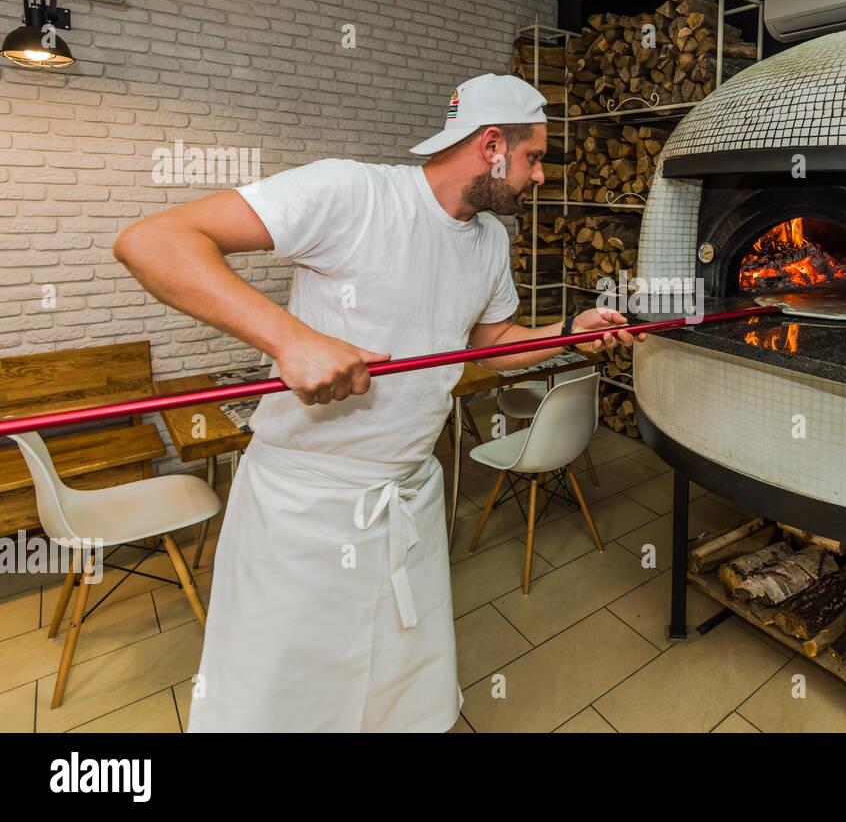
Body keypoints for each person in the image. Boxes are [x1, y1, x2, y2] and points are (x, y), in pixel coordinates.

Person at [112, 73, 647, 731]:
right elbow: (153, 240)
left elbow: (490, 346)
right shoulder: (350, 192)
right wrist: (290, 338)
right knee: (277, 705)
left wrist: (567, 333)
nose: (538, 178)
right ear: (491, 145)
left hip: (408, 499)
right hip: (301, 509)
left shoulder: (490, 242)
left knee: (397, 699)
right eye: (534, 157)